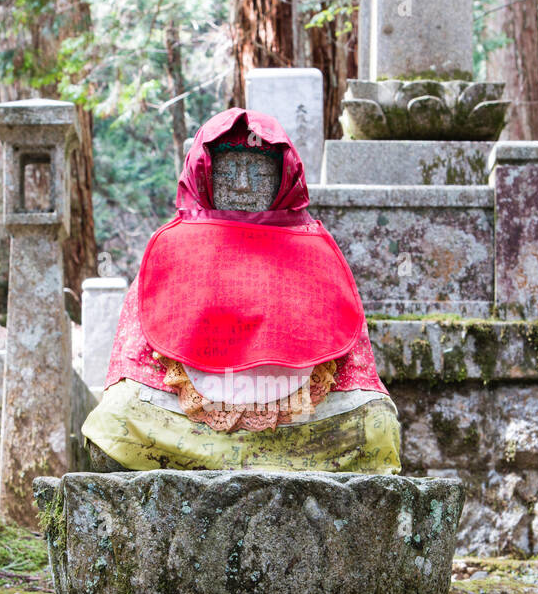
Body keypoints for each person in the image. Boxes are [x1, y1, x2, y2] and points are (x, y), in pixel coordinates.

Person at [81, 107, 401, 474]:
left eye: (258, 171)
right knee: (114, 423)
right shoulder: (171, 247)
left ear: (284, 176)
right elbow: (135, 363)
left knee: (376, 424)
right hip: (187, 417)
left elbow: (353, 366)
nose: (244, 185)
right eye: (230, 171)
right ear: (206, 174)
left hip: (306, 420)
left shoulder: (315, 249)